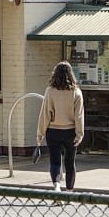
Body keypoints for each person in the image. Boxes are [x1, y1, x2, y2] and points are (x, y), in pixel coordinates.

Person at [37, 61, 85, 191]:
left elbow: (45, 114)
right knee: (70, 162)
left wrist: (40, 133)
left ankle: (57, 187)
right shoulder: (76, 92)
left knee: (54, 161)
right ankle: (69, 191)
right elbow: (79, 116)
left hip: (53, 131)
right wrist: (79, 134)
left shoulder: (50, 91)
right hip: (70, 132)